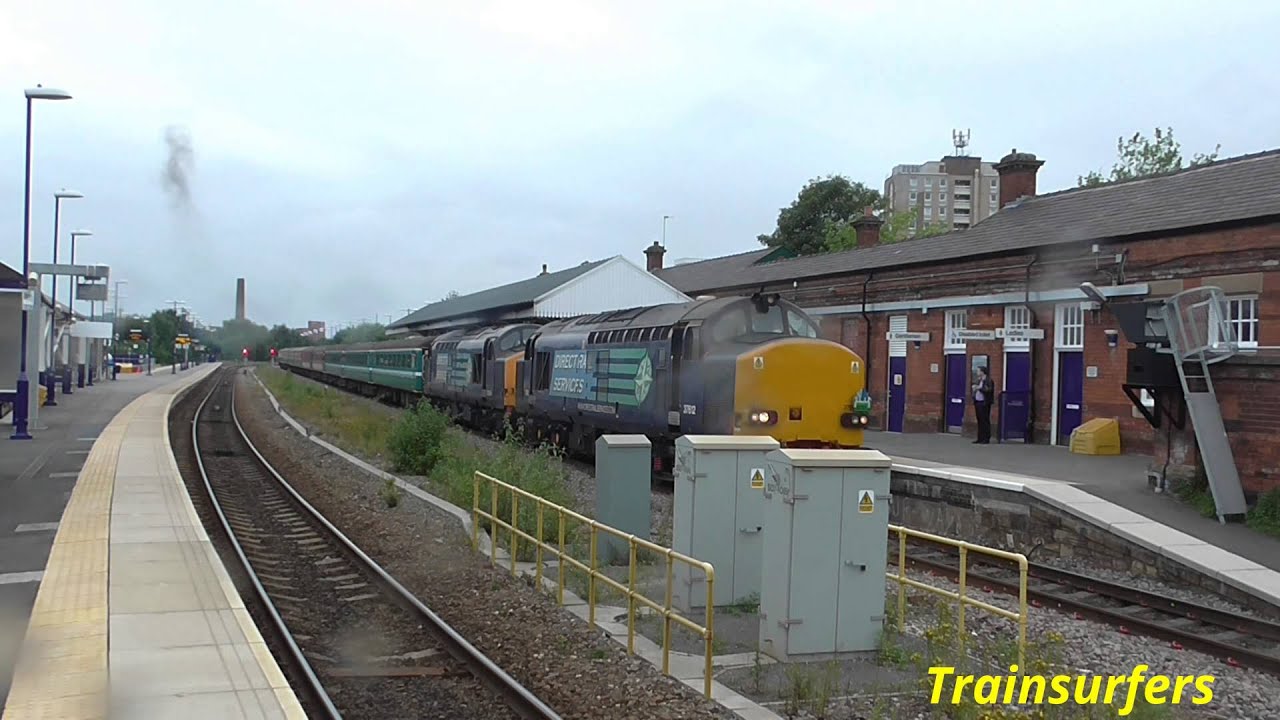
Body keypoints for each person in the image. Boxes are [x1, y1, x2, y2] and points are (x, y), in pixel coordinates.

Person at [972, 365, 994, 444]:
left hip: (984, 403)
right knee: (979, 420)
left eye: (978, 371)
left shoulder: (988, 380)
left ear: (982, 372)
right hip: (978, 402)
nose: (977, 372)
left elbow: (989, 390)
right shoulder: (979, 380)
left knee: (985, 420)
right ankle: (980, 438)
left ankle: (986, 438)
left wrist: (979, 388)